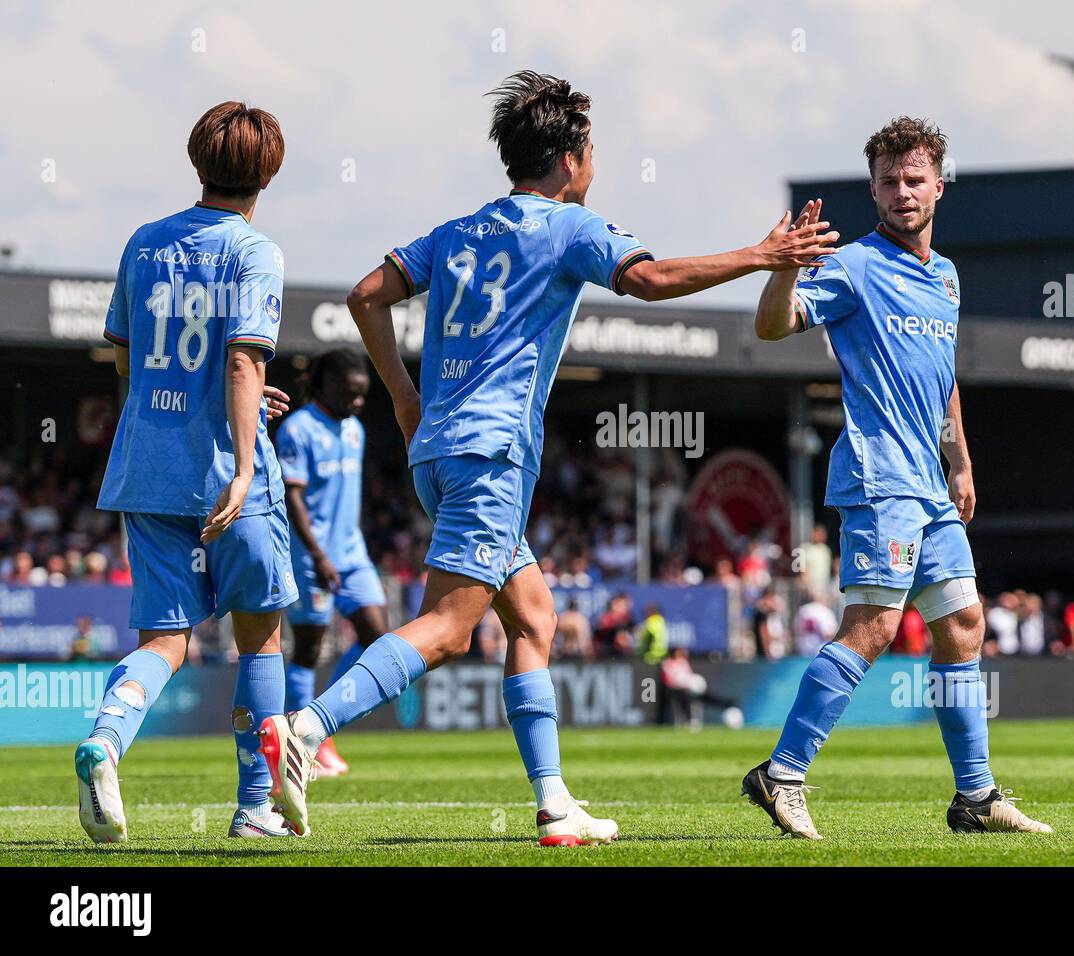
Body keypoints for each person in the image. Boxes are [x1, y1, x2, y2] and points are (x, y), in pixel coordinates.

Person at [257, 70, 837, 845]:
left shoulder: (458, 230)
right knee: (450, 628)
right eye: (591, 150)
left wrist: (402, 395)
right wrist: (762, 255)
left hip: (437, 454)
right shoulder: (571, 228)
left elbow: (366, 295)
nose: (594, 164)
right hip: (492, 455)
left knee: (533, 616)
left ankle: (555, 802)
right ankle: (305, 728)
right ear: (568, 161)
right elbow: (654, 280)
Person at [741, 116, 1050, 839]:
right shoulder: (850, 265)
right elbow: (772, 327)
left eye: (915, 178)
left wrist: (961, 459)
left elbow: (943, 380)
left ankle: (975, 797)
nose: (902, 191)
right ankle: (781, 773)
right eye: (888, 180)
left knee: (965, 625)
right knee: (875, 627)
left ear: (939, 185)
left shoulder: (946, 276)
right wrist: (785, 264)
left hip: (931, 487)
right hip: (880, 481)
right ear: (873, 189)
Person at [76, 101, 298, 841]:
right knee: (258, 639)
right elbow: (241, 355)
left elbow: (126, 354)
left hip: (148, 464)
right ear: (270, 169)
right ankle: (254, 808)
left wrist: (173, 402)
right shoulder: (255, 251)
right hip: (222, 470)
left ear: (196, 159)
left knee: (163, 640)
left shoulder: (143, 243)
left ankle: (106, 742)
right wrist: (241, 464)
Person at [276, 350, 390, 778]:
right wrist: (319, 554)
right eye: (350, 394)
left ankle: (316, 723)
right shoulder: (298, 428)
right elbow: (293, 498)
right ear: (325, 384)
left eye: (362, 396)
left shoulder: (355, 430)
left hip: (352, 553)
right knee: (308, 649)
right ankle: (297, 745)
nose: (358, 403)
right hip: (310, 554)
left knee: (379, 639)